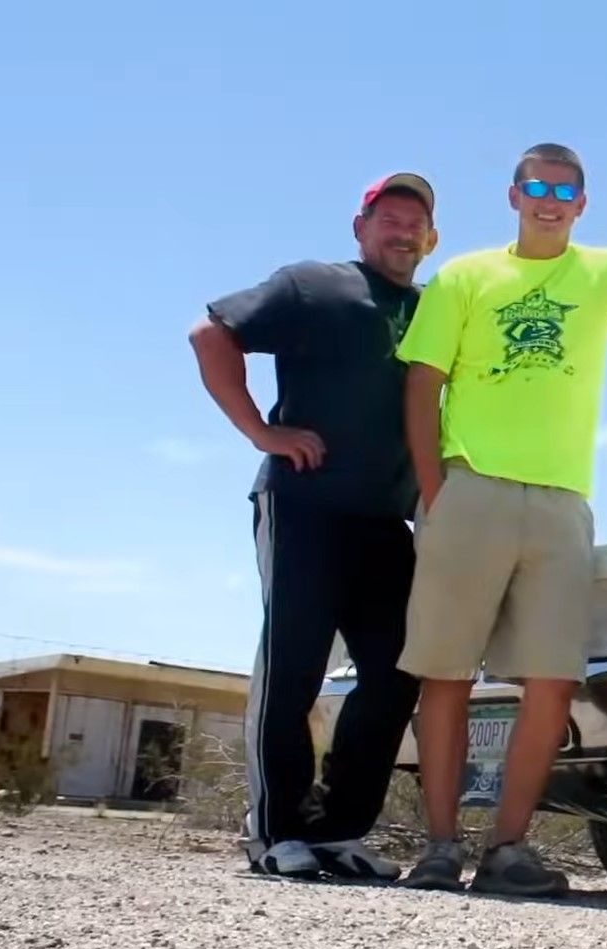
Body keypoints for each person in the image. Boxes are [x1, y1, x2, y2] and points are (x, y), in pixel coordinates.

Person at [393, 143, 607, 896]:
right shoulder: (466, 275)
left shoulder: (601, 269)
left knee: (554, 680)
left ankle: (508, 848)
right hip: (472, 490)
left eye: (564, 190)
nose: (549, 200)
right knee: (447, 673)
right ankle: (437, 847)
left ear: (582, 204)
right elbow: (423, 384)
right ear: (513, 195)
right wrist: (436, 493)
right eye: (536, 186)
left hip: (562, 502)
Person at [188, 173, 440, 880]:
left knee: (395, 672)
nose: (401, 232)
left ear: (432, 239)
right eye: (387, 218)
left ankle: (338, 830)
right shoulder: (312, 285)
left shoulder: (433, 309)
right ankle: (273, 831)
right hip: (303, 503)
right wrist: (259, 432)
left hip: (386, 519)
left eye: (414, 223)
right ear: (361, 228)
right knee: (294, 666)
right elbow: (210, 332)